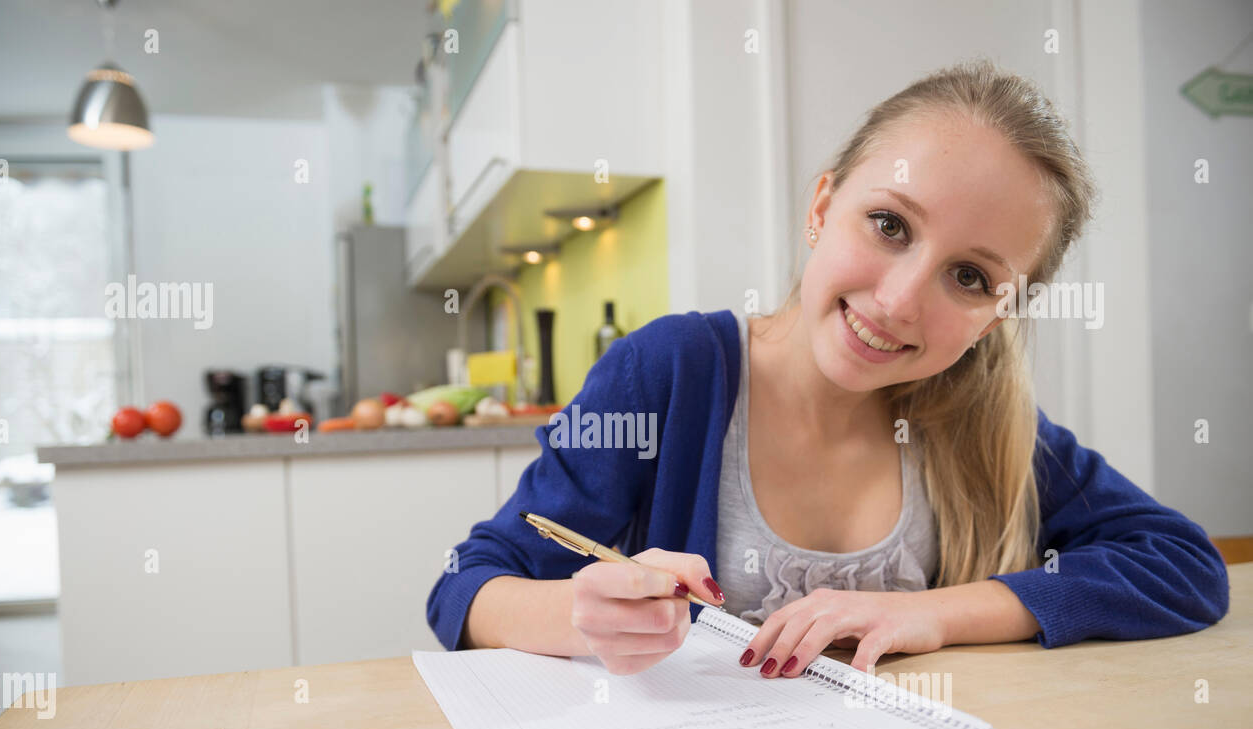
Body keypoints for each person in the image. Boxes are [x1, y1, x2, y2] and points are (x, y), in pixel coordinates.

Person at [426, 58, 1229, 678]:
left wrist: (942, 614)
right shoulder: (667, 374)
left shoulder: (985, 424)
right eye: (888, 224)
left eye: (971, 277)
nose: (900, 298)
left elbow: (1184, 563)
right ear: (820, 208)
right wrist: (579, 613)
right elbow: (466, 584)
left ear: (1001, 316)